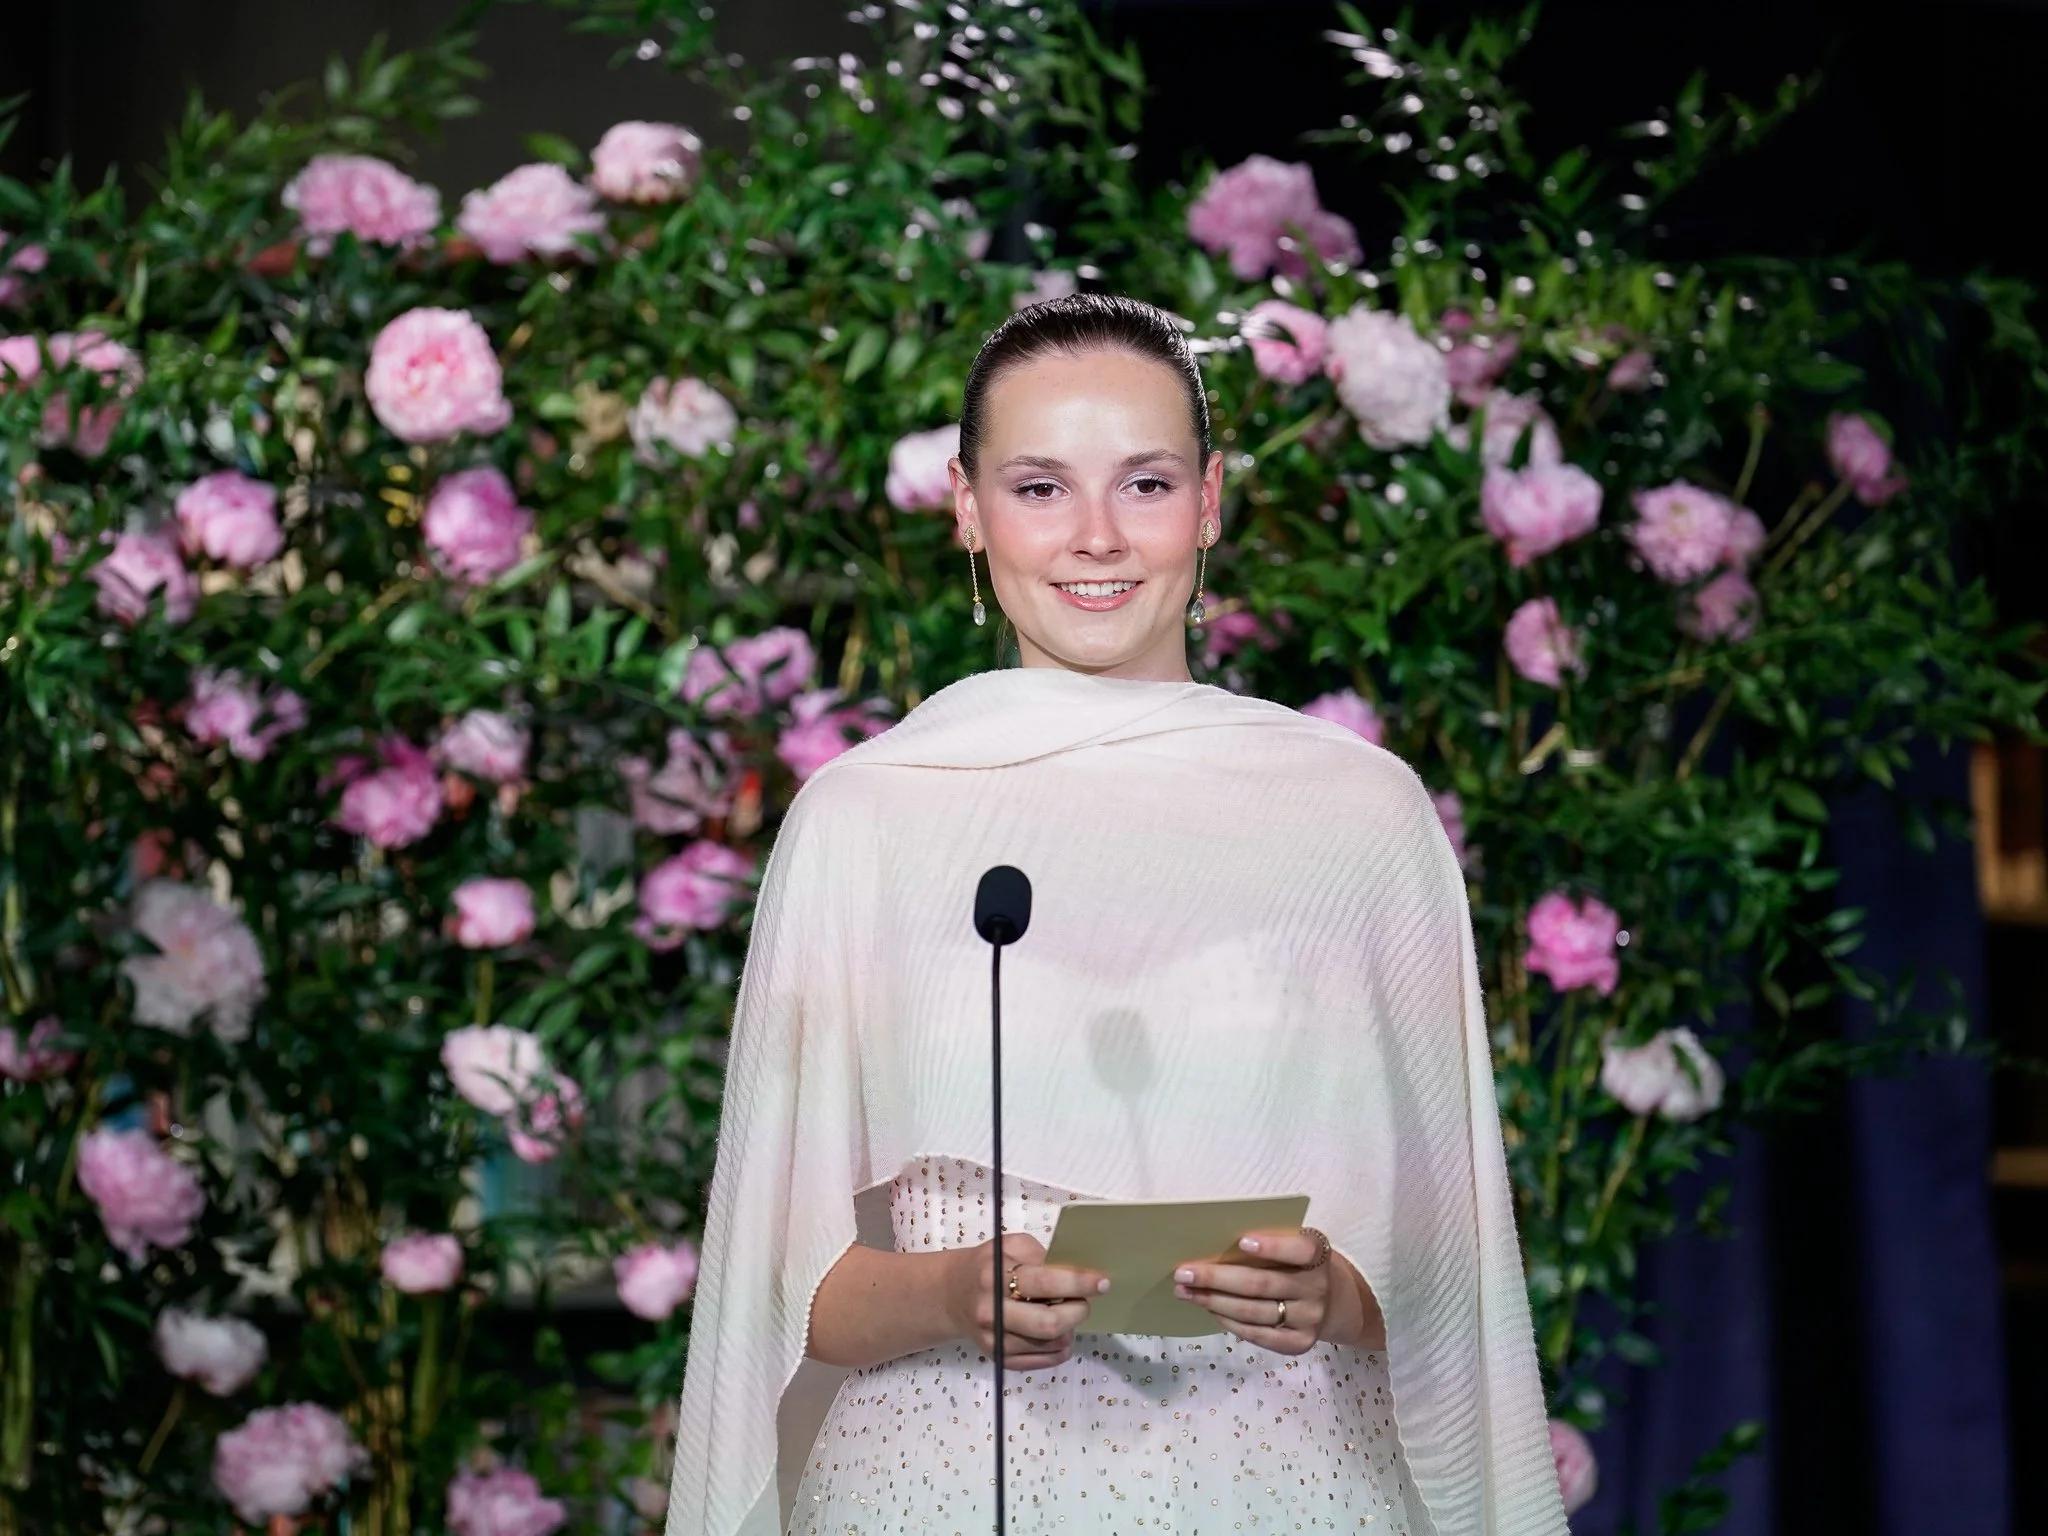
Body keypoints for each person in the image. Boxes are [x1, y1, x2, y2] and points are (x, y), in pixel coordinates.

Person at [666, 294, 1567, 1536]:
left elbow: (1449, 1273)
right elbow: (780, 1293)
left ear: (1208, 500)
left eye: (1143, 485)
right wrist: (952, 1296)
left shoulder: (1360, 816)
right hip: (947, 1486)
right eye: (1039, 488)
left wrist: (1333, 1295)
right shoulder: (863, 818)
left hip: (1283, 1483)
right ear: (967, 509)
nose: (1095, 537)